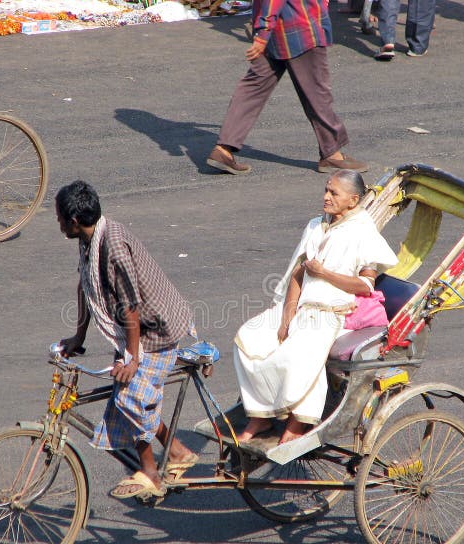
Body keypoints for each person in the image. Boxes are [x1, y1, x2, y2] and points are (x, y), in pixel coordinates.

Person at [56, 180, 198, 500]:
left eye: (60, 218)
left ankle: (150, 473)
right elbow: (86, 286)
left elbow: (131, 306)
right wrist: (78, 336)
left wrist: (132, 359)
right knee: (129, 391)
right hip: (136, 328)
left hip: (156, 330)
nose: (59, 223)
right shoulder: (90, 240)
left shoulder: (114, 247)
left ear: (74, 221)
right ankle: (176, 451)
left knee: (130, 397)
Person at [233, 170, 397, 444]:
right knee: (249, 338)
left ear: (353, 200)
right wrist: (287, 316)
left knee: (297, 352)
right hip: (301, 307)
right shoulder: (315, 226)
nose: (326, 197)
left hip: (331, 313)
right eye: (326, 190)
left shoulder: (363, 232)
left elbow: (365, 286)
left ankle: (298, 422)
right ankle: (261, 415)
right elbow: (298, 273)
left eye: (334, 193)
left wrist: (324, 274)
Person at [206, 0, 368, 176]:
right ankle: (332, 153)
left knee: (254, 88)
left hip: (277, 30)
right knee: (317, 94)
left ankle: (223, 149)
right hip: (298, 27)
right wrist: (263, 31)